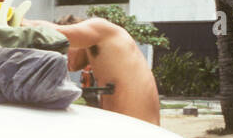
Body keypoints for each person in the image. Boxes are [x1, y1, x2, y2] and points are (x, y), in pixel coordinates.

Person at [27, 14, 162, 126]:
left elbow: (54, 32)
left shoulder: (102, 29)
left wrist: (19, 21)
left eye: (65, 49)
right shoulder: (106, 61)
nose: (63, 57)